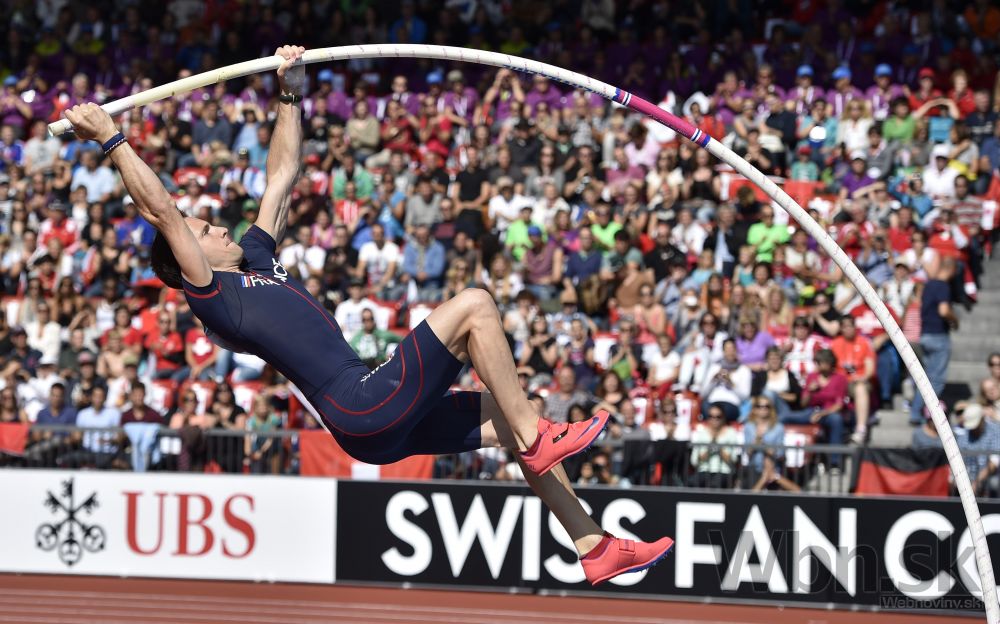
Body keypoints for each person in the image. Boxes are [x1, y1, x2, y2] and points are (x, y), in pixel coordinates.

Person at [62, 46, 671, 585]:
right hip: (360, 404)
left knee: (517, 418)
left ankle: (592, 545)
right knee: (476, 305)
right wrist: (111, 138)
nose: (217, 224)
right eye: (204, 229)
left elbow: (281, 175)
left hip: (371, 408)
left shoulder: (254, 256)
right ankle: (540, 443)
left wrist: (289, 93)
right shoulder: (215, 297)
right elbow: (164, 213)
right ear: (188, 254)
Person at [910, 258, 958, 425]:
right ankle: (917, 412)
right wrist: (955, 320)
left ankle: (919, 410)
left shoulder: (928, 285)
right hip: (938, 336)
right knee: (935, 380)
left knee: (927, 378)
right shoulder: (943, 286)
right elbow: (944, 310)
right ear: (951, 269)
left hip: (925, 336)